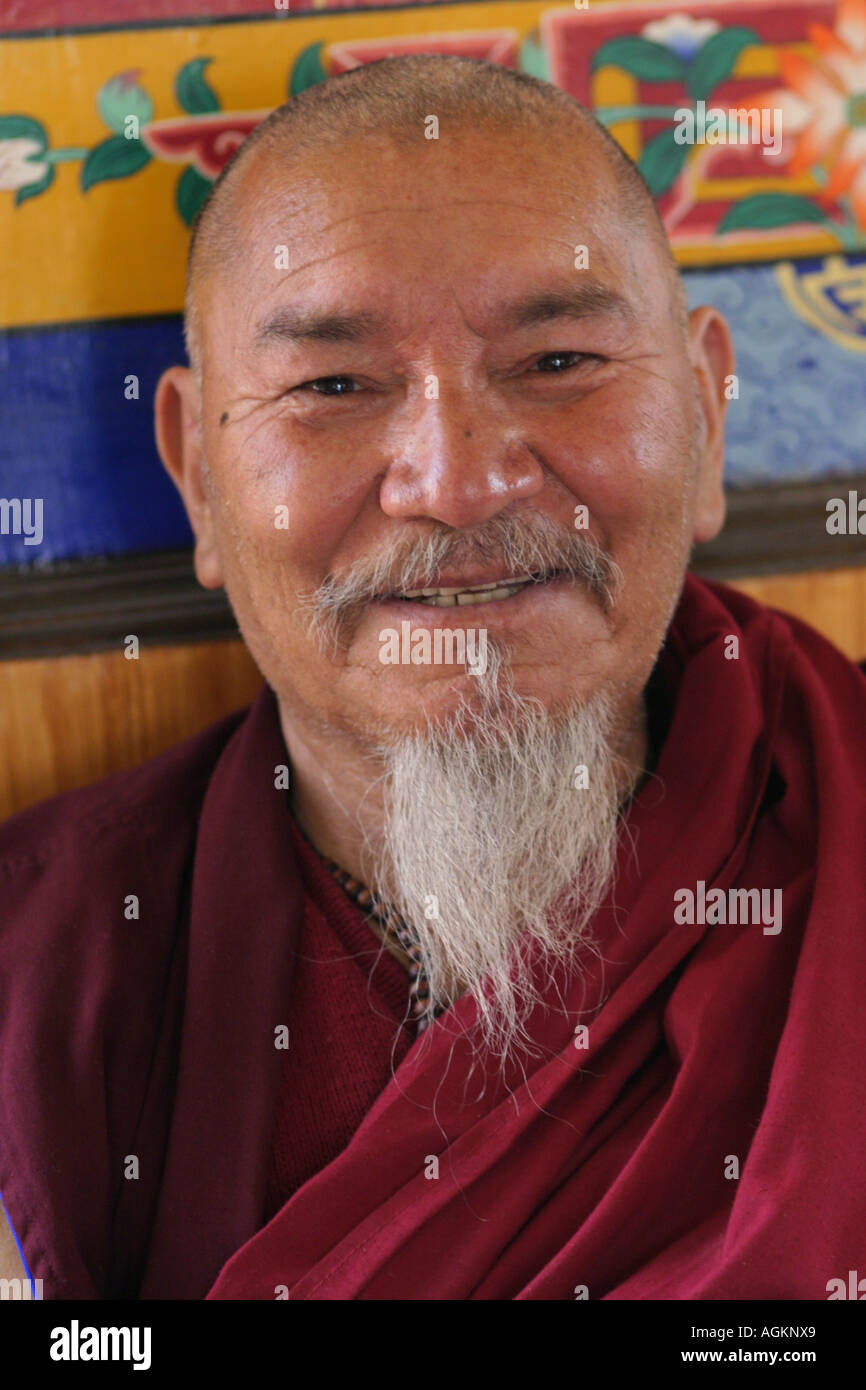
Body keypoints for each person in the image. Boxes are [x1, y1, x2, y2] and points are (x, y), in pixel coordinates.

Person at [1, 55, 864, 1302]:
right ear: (197, 473)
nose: (456, 484)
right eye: (334, 386)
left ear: (703, 415)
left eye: (558, 361)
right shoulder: (37, 986)